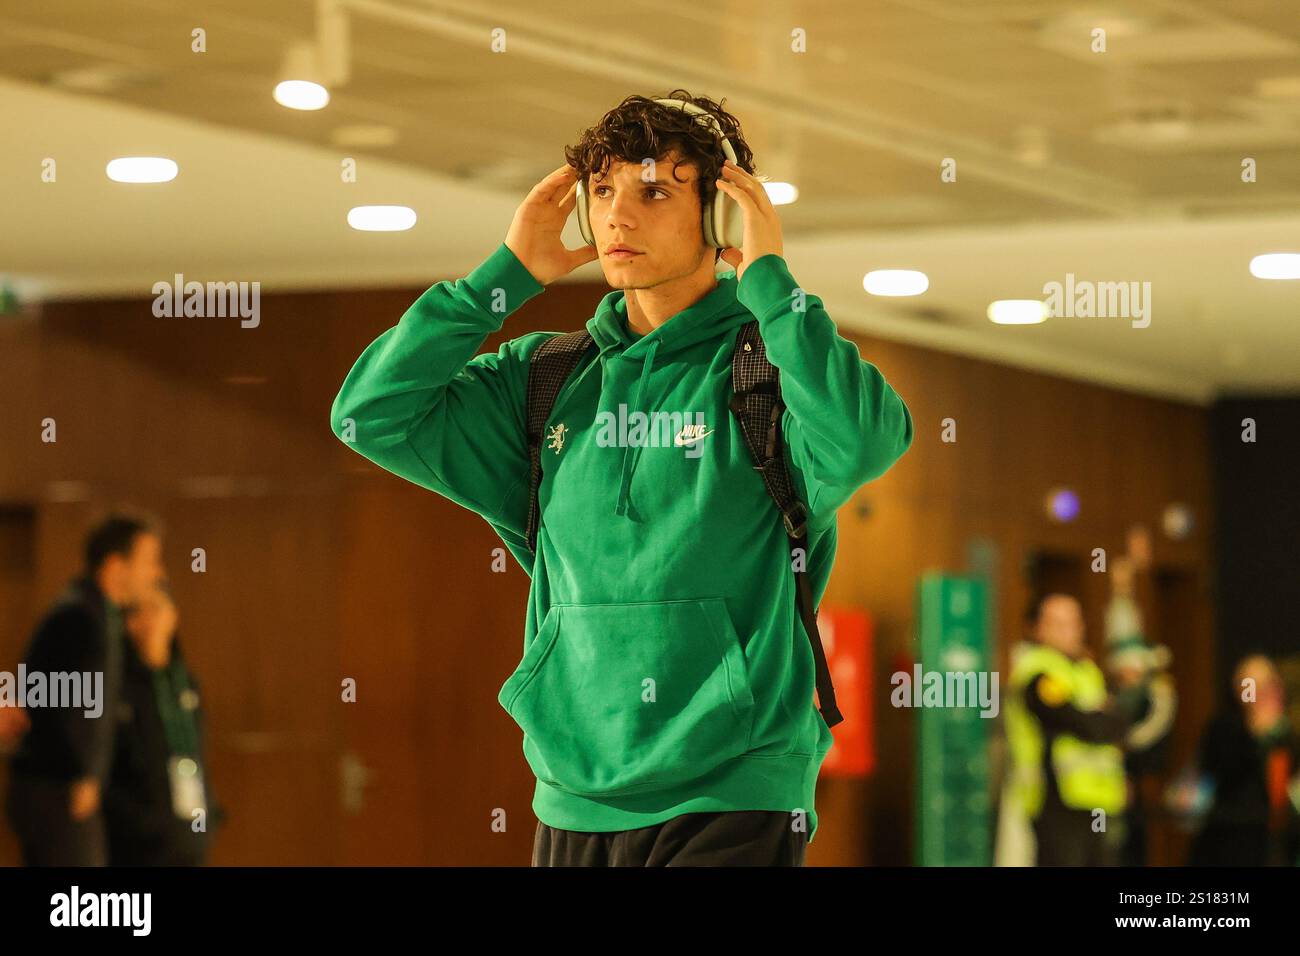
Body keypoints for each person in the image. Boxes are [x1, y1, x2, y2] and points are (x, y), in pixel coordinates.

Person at [331, 90, 913, 866]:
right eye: (601, 191)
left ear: (717, 214)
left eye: (654, 191)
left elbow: (867, 438)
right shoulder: (544, 379)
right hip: (574, 791)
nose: (616, 217)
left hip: (734, 790)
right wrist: (500, 283)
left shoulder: (768, 369)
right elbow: (369, 415)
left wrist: (770, 280)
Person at [6, 511, 164, 866]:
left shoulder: (96, 613)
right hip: (56, 788)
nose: (157, 573)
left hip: (57, 784)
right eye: (149, 561)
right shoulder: (79, 616)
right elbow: (55, 703)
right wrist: (80, 774)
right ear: (115, 566)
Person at [1005, 593, 1143, 866]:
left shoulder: (1086, 670)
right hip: (1056, 799)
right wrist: (1099, 717)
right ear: (1038, 629)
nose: (1068, 631)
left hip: (1099, 799)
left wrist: (1101, 720)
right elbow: (1085, 724)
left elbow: (1117, 723)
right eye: (1057, 623)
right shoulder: (1038, 673)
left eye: (1073, 622)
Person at [103, 583, 218, 866]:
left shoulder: (185, 685)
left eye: (156, 608)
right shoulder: (115, 688)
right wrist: (140, 820)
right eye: (137, 612)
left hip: (188, 827)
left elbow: (197, 753)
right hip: (137, 838)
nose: (148, 619)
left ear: (173, 616)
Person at [1103, 534, 1177, 866]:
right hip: (1109, 781)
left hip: (1141, 773)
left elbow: (1157, 724)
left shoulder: (1155, 692)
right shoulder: (1115, 691)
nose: (1128, 675)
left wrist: (1128, 745)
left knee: (1135, 843)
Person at [1188, 654, 1300, 866]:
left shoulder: (1286, 731)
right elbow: (1219, 770)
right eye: (1249, 684)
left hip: (1275, 835)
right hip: (1229, 833)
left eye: (1265, 683)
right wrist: (1253, 733)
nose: (1258, 692)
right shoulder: (1225, 727)